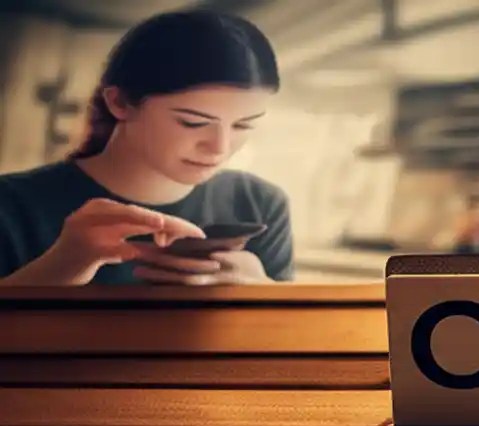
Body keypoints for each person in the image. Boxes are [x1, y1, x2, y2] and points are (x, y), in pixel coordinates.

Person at [0, 10, 292, 286]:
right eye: (192, 123)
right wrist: (59, 267)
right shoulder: (12, 205)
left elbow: (293, 338)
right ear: (120, 103)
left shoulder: (259, 204)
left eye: (243, 125)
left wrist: (261, 290)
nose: (220, 147)